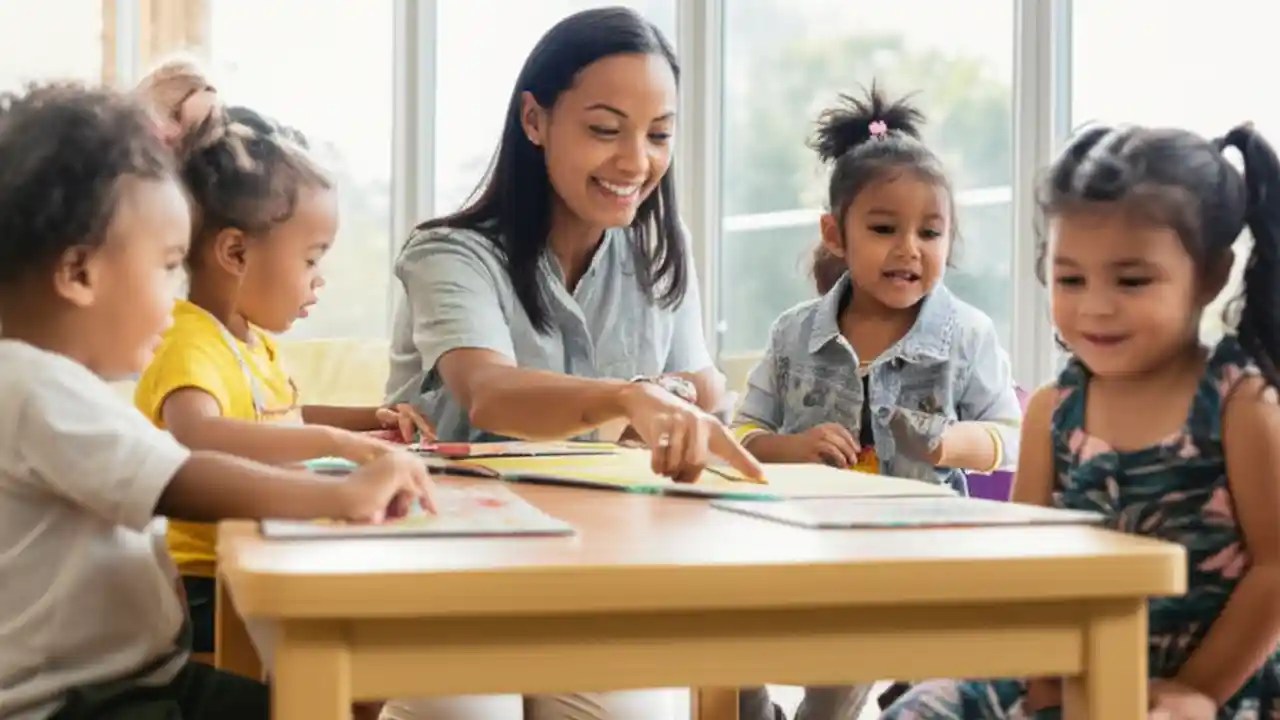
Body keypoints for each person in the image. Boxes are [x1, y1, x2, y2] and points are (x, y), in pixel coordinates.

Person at [0, 82, 433, 720]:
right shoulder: (30, 387)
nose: (173, 298)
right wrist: (338, 495)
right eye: (166, 266)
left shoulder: (49, 387)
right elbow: (182, 473)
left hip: (142, 684)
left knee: (337, 697)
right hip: (88, 707)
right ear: (80, 273)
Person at [382, 6, 761, 719]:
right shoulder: (448, 255)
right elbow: (490, 393)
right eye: (604, 129)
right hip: (450, 572)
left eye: (658, 135)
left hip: (601, 574)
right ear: (535, 121)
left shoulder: (657, 247)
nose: (635, 161)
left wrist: (673, 401)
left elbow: (703, 389)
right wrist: (628, 398)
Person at [882, 121, 1280, 719]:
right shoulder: (1052, 410)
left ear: (1212, 274)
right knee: (918, 709)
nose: (1096, 304)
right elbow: (1029, 565)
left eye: (1132, 280)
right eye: (1071, 279)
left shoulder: (1239, 405)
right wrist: (1039, 669)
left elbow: (1275, 569)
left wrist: (1196, 690)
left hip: (1210, 688)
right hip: (1069, 676)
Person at [731, 85, 1023, 720]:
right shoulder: (792, 334)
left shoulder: (966, 335)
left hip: (914, 562)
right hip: (795, 549)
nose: (909, 248)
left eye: (931, 232)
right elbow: (742, 433)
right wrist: (790, 449)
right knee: (726, 660)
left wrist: (949, 442)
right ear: (835, 233)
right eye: (884, 228)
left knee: (842, 673)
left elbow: (1011, 435)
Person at [131, 60, 435, 666]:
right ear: (235, 252)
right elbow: (198, 434)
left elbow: (279, 420)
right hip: (210, 588)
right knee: (356, 652)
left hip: (265, 551)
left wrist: (366, 421)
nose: (318, 281)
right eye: (311, 259)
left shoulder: (250, 341)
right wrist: (337, 444)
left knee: (375, 648)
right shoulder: (186, 338)